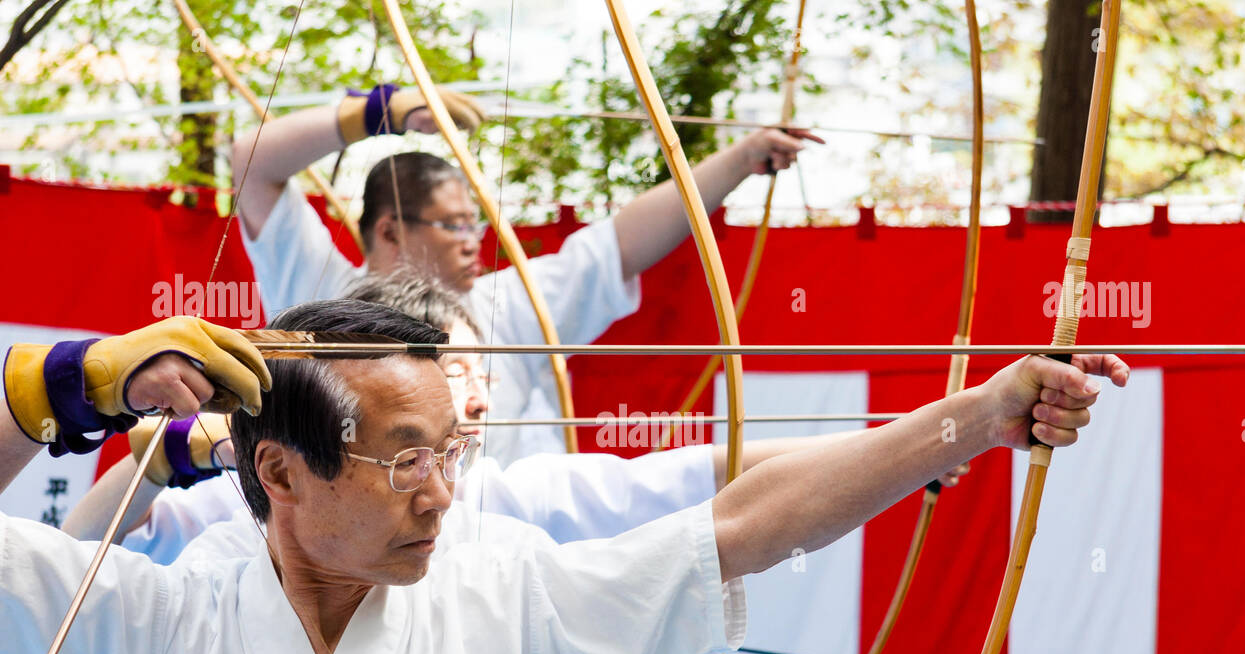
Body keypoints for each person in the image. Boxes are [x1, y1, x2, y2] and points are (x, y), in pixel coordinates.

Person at [0, 308, 1126, 654]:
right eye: (404, 459)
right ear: (280, 474)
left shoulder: (505, 592)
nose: (439, 494)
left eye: (451, 452)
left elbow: (737, 521)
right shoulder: (165, 617)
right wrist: (55, 386)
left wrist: (976, 415)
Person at [229, 83, 821, 463]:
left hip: (505, 560)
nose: (474, 242)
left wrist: (741, 159)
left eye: (476, 224)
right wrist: (380, 110)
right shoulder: (322, 296)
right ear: (389, 231)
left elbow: (619, 244)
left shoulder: (505, 303)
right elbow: (251, 161)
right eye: (453, 226)